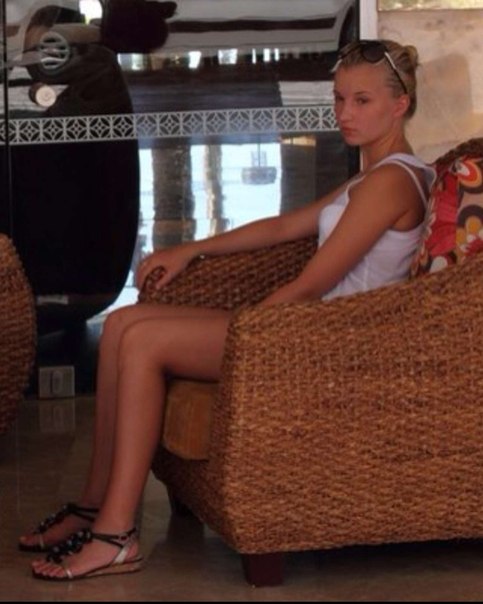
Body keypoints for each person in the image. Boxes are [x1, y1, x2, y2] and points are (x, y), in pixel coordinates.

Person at [20, 38, 436, 581]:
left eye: (362, 101)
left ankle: (117, 536)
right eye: (339, 98)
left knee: (141, 340)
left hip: (326, 343)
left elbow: (312, 283)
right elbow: (284, 227)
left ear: (400, 104)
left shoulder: (392, 182)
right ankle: (93, 506)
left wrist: (250, 333)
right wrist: (192, 249)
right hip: (308, 328)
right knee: (120, 324)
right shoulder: (372, 176)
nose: (344, 113)